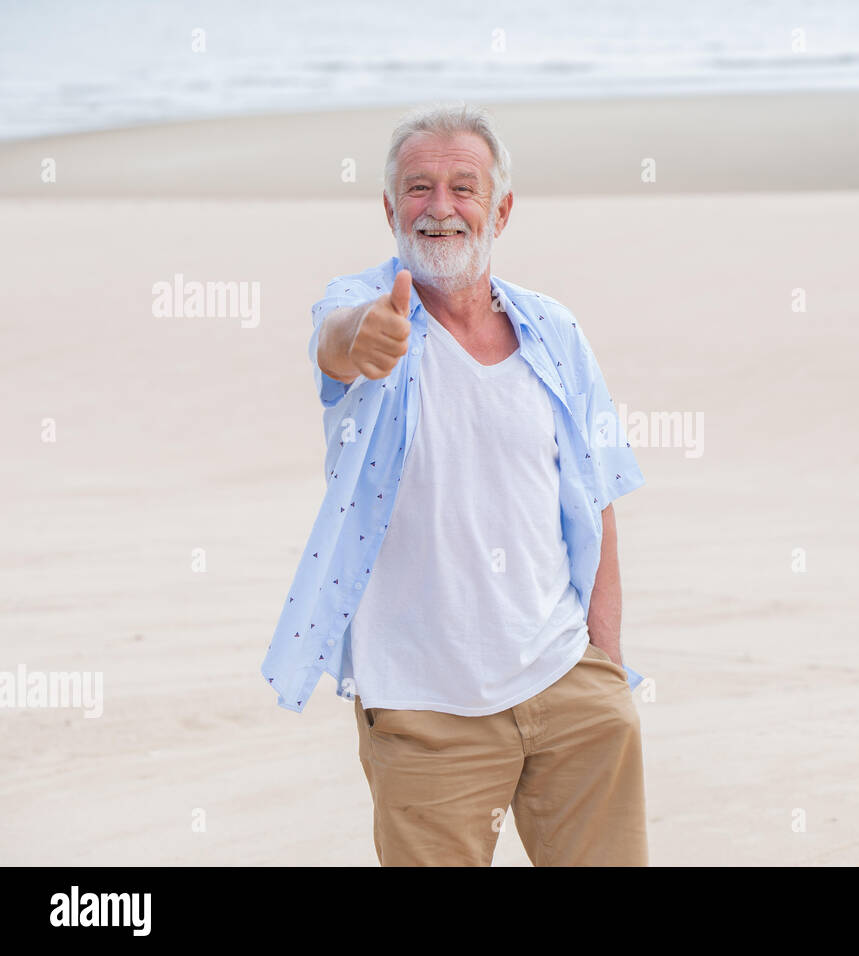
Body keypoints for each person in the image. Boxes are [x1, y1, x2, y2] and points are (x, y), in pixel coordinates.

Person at [260, 103, 648, 866]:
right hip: (423, 711)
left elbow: (598, 497)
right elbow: (337, 345)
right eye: (418, 188)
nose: (440, 208)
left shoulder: (555, 332)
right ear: (388, 208)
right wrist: (365, 339)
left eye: (464, 188)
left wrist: (605, 668)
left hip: (568, 685)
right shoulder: (364, 310)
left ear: (501, 208)